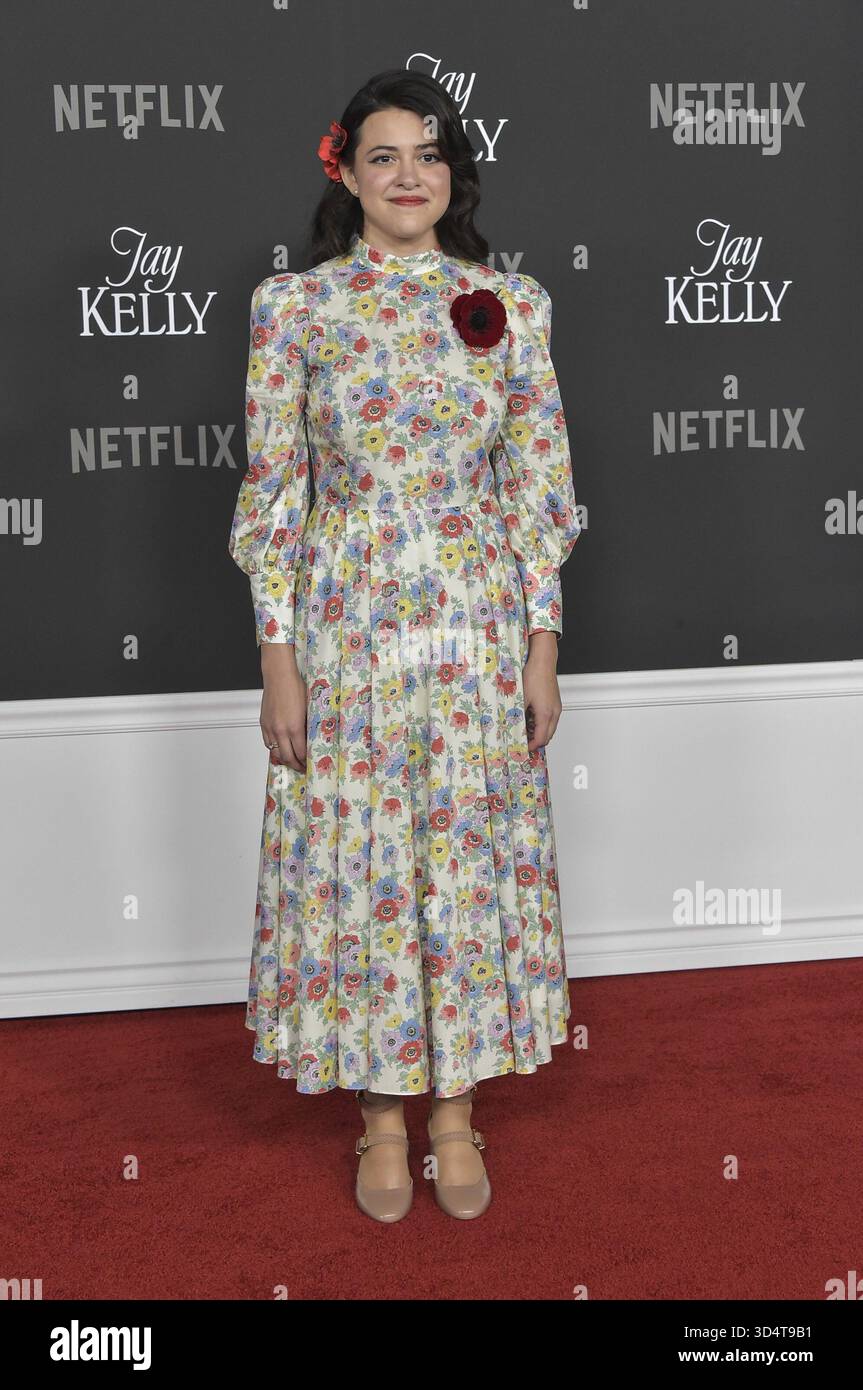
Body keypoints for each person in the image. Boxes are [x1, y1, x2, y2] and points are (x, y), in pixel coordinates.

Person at [228, 68, 581, 1223]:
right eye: (382, 157)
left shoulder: (510, 306)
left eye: (426, 156)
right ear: (345, 170)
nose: (407, 177)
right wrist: (278, 652)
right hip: (344, 614)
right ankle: (381, 1115)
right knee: (360, 859)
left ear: (453, 174)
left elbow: (537, 489)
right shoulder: (295, 308)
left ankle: (455, 1114)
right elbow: (277, 490)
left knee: (465, 849)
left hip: (476, 613)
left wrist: (541, 642)